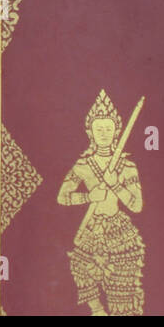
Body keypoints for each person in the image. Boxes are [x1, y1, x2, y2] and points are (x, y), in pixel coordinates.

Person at [58, 91, 144, 315]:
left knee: (121, 290)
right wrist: (89, 196)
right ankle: (97, 310)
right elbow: (63, 196)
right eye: (99, 129)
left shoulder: (127, 165)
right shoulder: (83, 165)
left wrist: (116, 186)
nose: (104, 134)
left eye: (108, 128)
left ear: (117, 130)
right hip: (91, 229)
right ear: (90, 132)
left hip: (119, 233)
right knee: (80, 266)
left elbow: (136, 205)